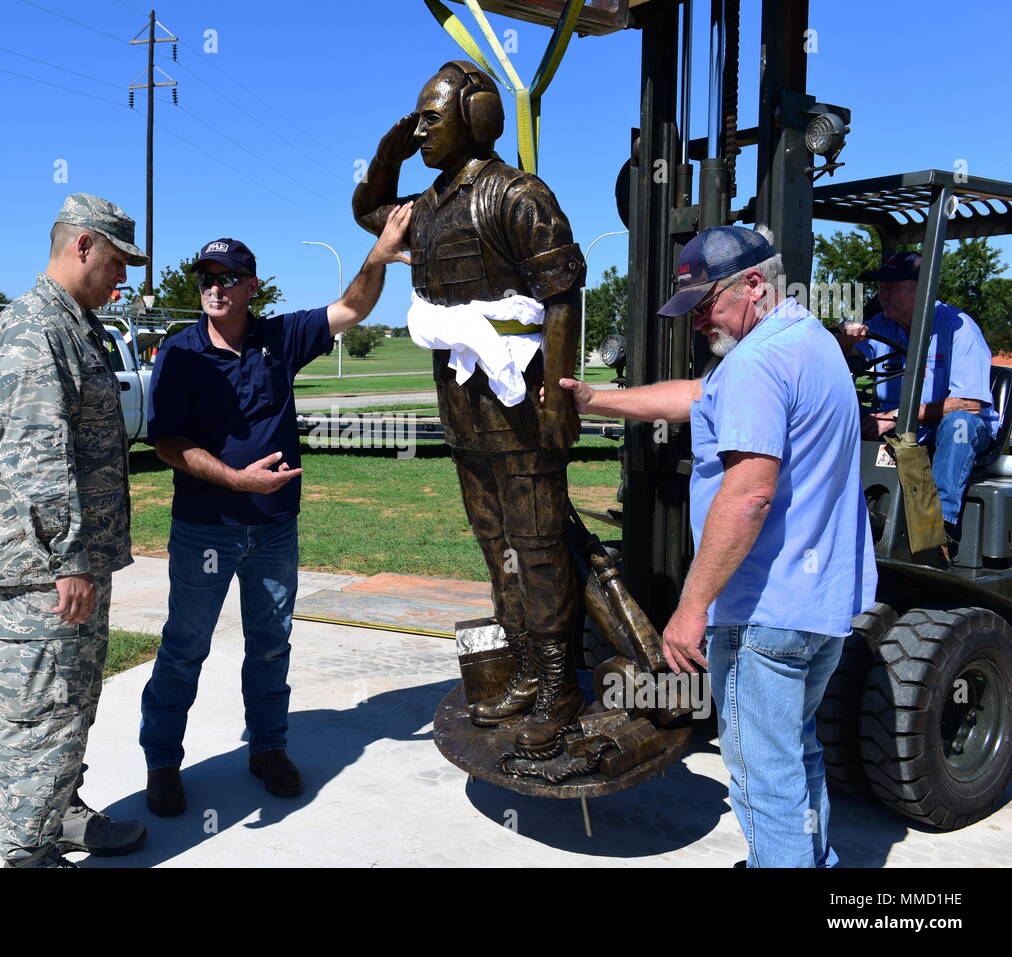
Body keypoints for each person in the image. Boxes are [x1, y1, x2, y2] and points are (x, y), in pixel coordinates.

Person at [560, 225, 877, 867]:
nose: (699, 321)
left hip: (764, 606)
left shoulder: (758, 362)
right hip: (819, 603)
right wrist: (596, 399)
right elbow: (697, 397)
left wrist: (691, 607)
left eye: (706, 304)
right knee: (795, 749)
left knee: (760, 771)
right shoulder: (806, 343)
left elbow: (750, 494)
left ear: (754, 283)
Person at [140, 213, 411, 816]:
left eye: (229, 276)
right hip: (204, 529)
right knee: (186, 646)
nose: (216, 286)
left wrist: (381, 252)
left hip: (273, 528)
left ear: (252, 285)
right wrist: (237, 479)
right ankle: (162, 762)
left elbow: (352, 309)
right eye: (206, 276)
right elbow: (167, 444)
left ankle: (267, 747)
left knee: (270, 643)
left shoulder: (278, 338)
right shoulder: (179, 353)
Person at [352, 61, 585, 752]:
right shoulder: (426, 209)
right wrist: (387, 156)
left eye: (432, 117)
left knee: (539, 547)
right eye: (418, 118)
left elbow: (563, 291)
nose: (421, 129)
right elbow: (370, 214)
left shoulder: (517, 195)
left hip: (519, 408)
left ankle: (558, 683)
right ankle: (519, 664)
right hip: (464, 413)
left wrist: (559, 397)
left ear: (477, 116)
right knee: (498, 547)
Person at [0, 193, 148, 868]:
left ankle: (60, 809)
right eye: (116, 261)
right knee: (40, 715)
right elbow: (38, 456)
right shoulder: (34, 329)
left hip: (68, 560)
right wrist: (68, 559)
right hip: (41, 569)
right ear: (82, 246)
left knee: (70, 705)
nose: (120, 277)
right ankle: (27, 850)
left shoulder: (72, 323)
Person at [835, 251, 998, 550]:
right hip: (899, 426)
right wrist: (844, 340)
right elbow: (843, 360)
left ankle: (939, 528)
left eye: (891, 287)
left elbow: (970, 403)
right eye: (881, 288)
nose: (882, 295)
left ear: (921, 288)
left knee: (959, 425)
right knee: (834, 414)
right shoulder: (882, 325)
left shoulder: (958, 327)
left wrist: (897, 415)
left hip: (952, 430)